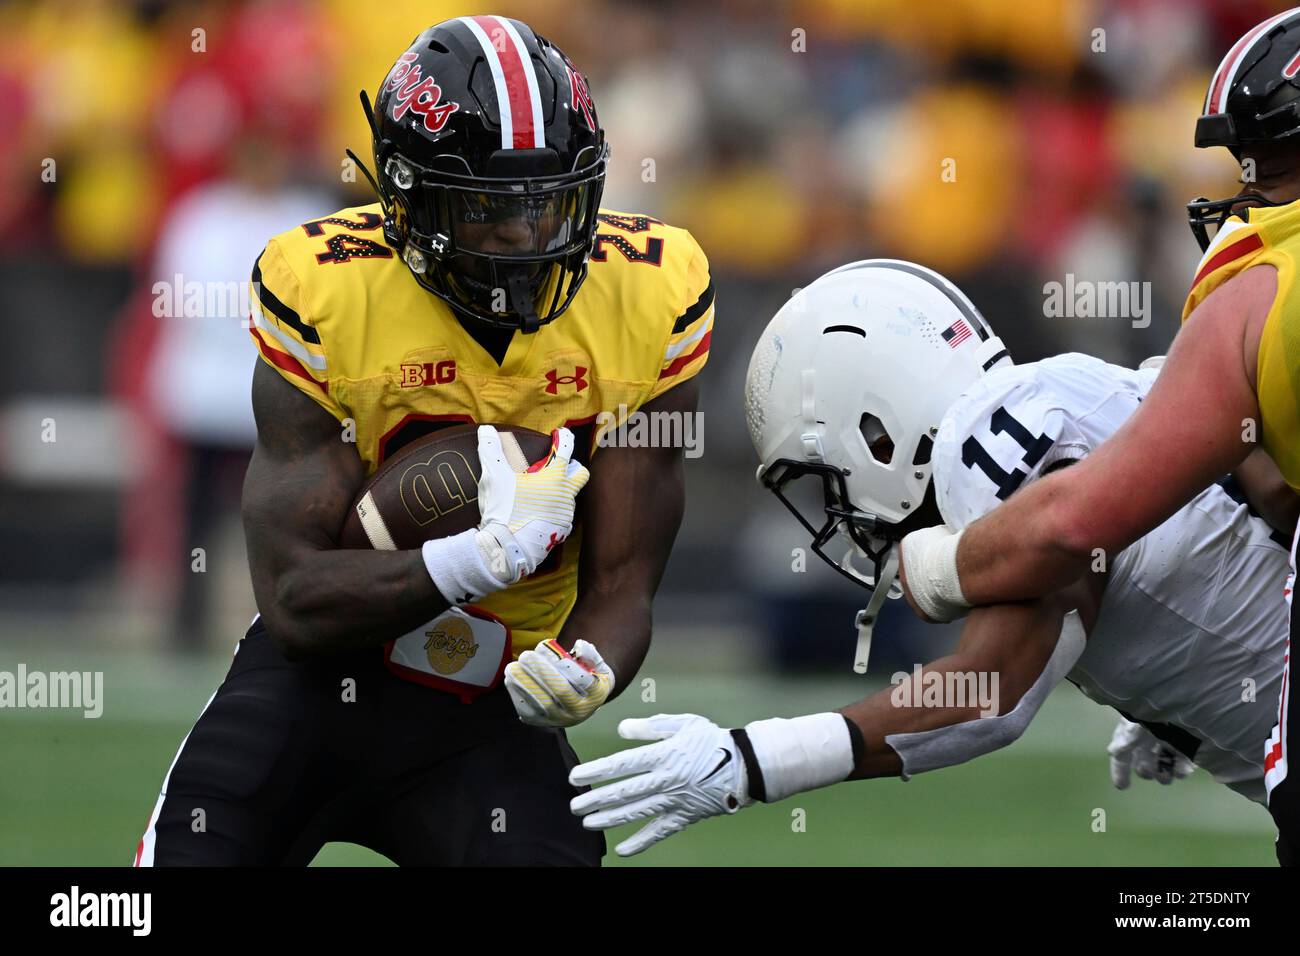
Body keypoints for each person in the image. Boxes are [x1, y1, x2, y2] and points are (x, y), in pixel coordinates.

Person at [134, 15, 714, 866]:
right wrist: (479, 557)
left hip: (492, 709)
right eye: (488, 207)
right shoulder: (326, 287)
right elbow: (294, 599)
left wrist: (588, 666)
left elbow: (626, 587)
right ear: (407, 197)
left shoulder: (650, 290)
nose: (527, 236)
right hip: (315, 683)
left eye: (551, 200)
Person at [566, 261, 1285, 859]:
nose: (842, 517)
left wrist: (757, 761)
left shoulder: (982, 444)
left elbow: (990, 693)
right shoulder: (1067, 386)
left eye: (827, 482)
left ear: (875, 432)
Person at [895, 9, 1300, 866]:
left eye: (1269, 171)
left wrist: (935, 567)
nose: (1250, 198)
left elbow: (1076, 524)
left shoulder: (1261, 288)